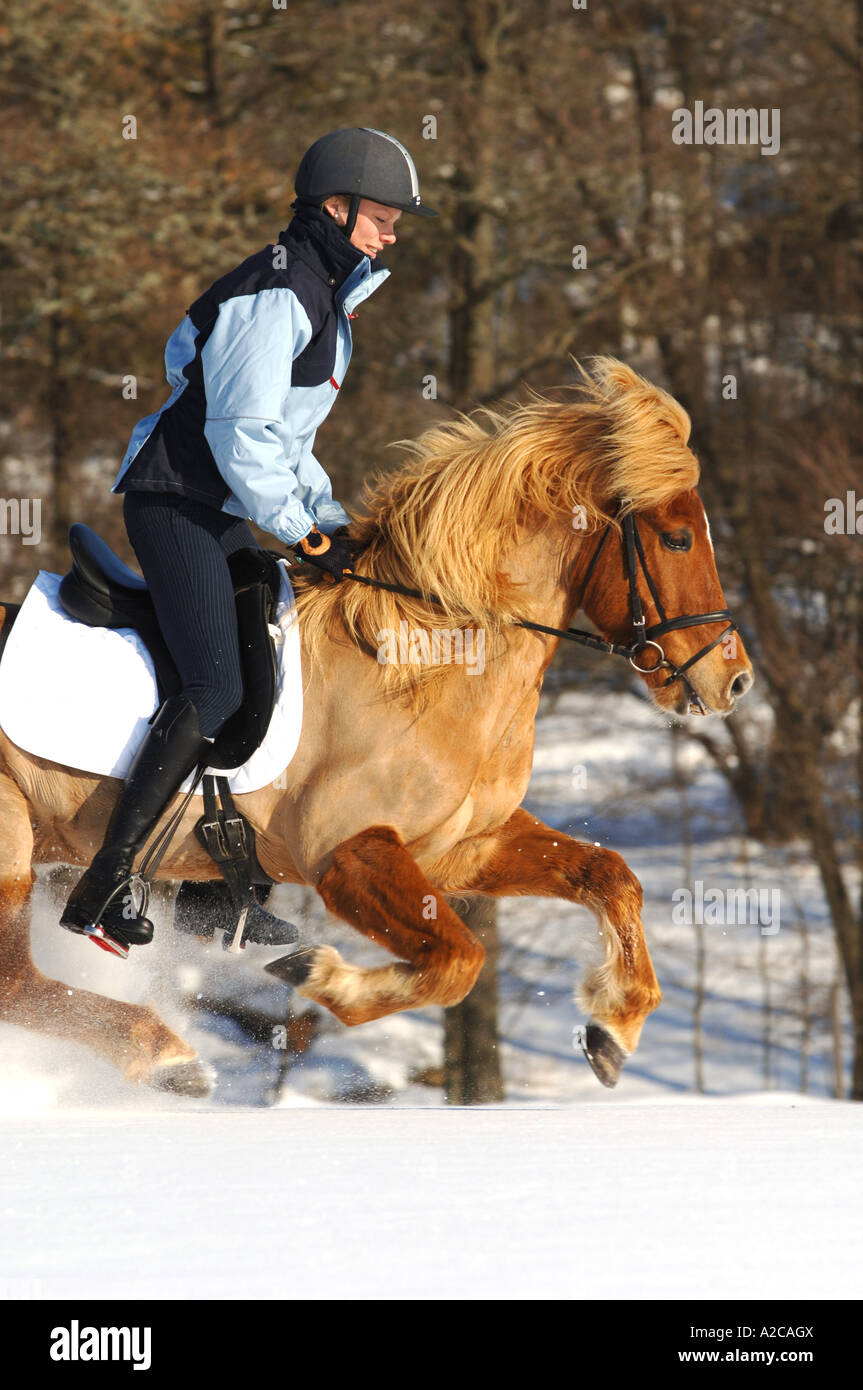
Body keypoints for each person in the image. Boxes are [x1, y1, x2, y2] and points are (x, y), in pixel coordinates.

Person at [60, 127, 437, 957]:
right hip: (177, 499)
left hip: (221, 505)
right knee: (220, 686)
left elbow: (286, 444)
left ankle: (215, 884)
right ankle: (109, 878)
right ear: (334, 211)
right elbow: (239, 434)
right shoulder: (280, 292)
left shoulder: (327, 302)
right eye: (380, 216)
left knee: (273, 670)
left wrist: (333, 523)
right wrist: (300, 534)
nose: (392, 233)